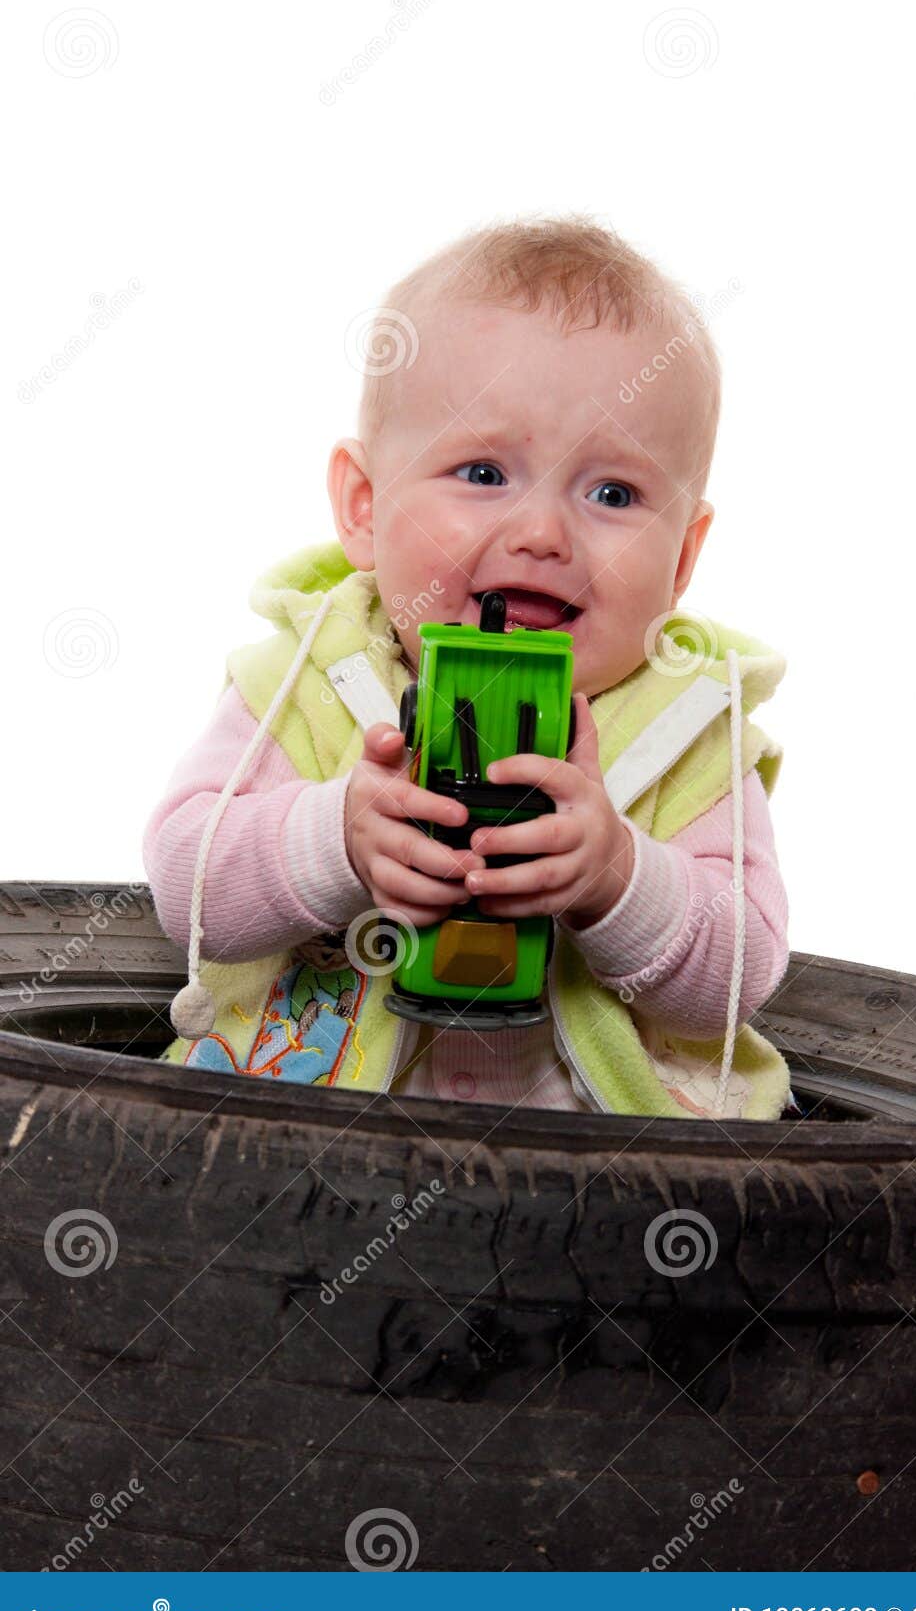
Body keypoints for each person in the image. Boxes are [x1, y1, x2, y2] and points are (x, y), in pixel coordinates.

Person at [143, 216, 793, 1120]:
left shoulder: (687, 726)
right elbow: (189, 892)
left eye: (613, 493)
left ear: (682, 557)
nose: (542, 533)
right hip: (299, 1152)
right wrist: (334, 839)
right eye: (483, 472)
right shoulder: (310, 679)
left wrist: (617, 878)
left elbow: (736, 982)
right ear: (365, 507)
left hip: (603, 1180)